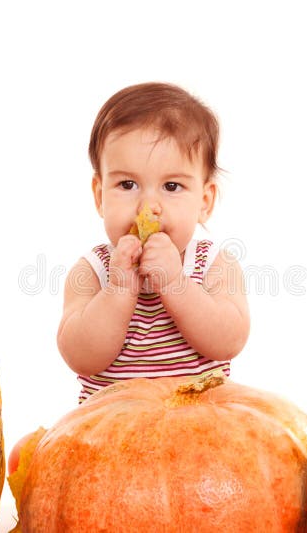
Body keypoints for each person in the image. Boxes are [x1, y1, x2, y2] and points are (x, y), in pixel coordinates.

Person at [57, 82, 250, 402]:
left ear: (204, 201)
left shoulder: (213, 264)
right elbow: (80, 356)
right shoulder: (93, 272)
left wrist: (175, 283)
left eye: (172, 186)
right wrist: (119, 289)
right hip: (109, 433)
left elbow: (229, 340)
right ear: (99, 195)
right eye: (127, 184)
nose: (148, 206)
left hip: (199, 429)